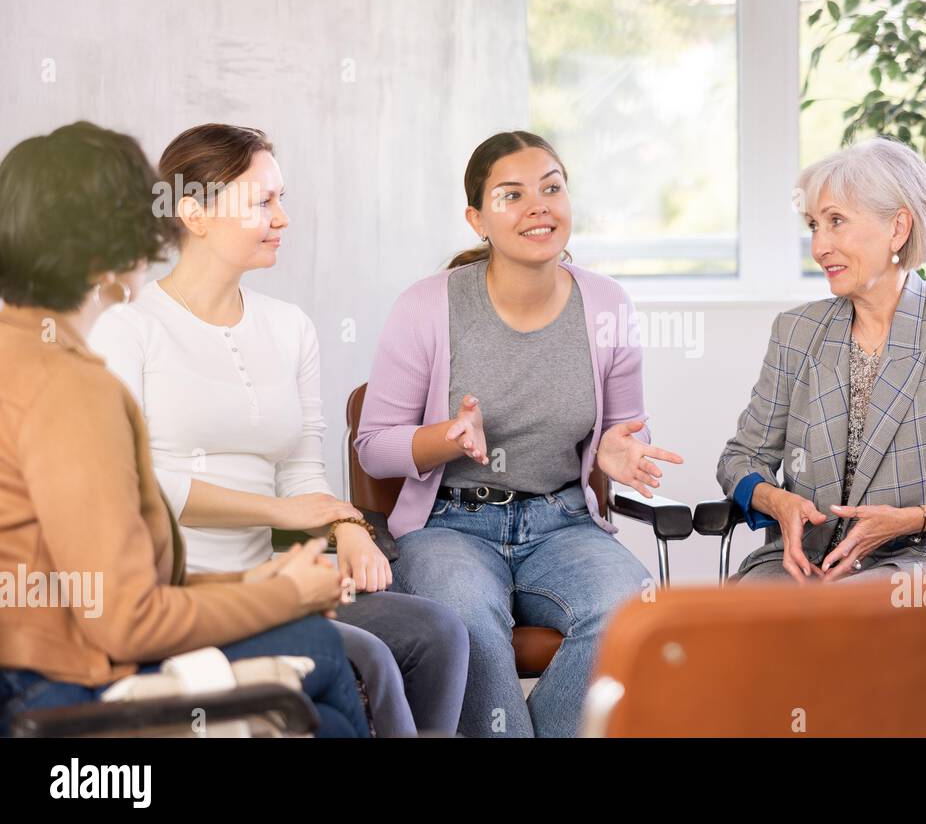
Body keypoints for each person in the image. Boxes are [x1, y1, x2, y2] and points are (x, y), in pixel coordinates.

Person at [90, 124, 469, 737]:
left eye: (281, 199)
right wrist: (284, 513)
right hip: (177, 591)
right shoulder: (128, 329)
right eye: (262, 201)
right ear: (194, 214)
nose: (283, 218)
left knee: (438, 631)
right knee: (367, 658)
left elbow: (301, 470)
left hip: (276, 578)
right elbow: (133, 485)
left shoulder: (290, 327)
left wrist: (346, 529)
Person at [0, 121, 366, 737]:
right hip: (53, 683)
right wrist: (286, 594)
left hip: (39, 658)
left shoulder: (21, 356)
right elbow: (123, 620)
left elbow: (101, 583)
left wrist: (253, 579)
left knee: (324, 681)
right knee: (322, 650)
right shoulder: (73, 385)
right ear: (112, 246)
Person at [356, 130, 683, 737]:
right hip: (450, 526)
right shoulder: (428, 306)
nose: (539, 206)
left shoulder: (607, 304)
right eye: (512, 195)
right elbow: (374, 445)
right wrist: (447, 439)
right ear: (477, 219)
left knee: (630, 606)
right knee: (464, 620)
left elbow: (622, 430)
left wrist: (614, 451)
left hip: (561, 523)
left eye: (551, 188)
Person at [718, 137, 926, 583]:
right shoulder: (796, 332)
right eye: (814, 225)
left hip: (923, 562)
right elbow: (741, 458)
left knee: (847, 624)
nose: (819, 247)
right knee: (726, 625)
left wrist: (913, 518)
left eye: (837, 221)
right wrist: (777, 501)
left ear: (898, 228)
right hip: (806, 565)